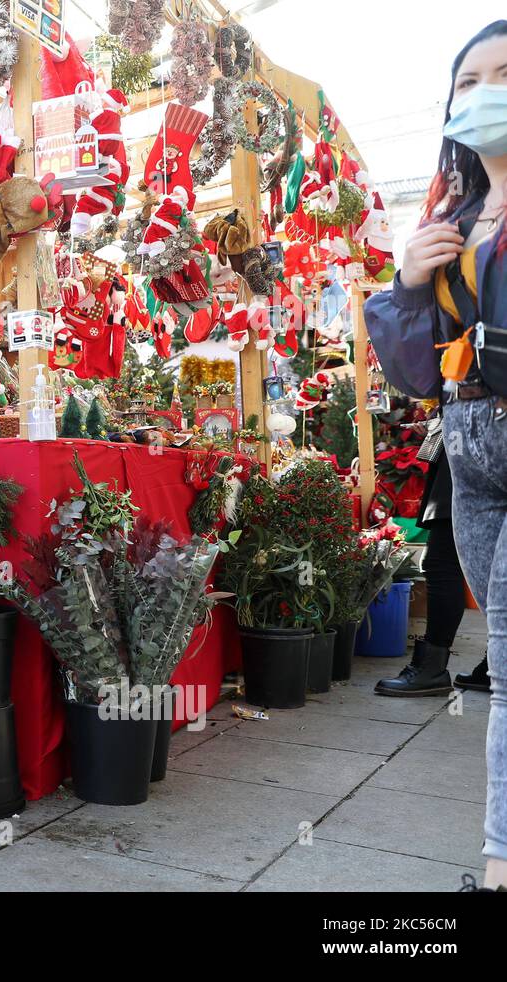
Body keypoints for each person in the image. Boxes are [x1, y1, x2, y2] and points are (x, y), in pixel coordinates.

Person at [364, 20, 507, 889]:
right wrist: (410, 284)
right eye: (470, 81)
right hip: (474, 453)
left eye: (505, 72)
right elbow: (417, 372)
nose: (486, 90)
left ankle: (496, 868)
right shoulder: (452, 217)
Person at [375, 436, 464, 696]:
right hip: (479, 446)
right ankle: (496, 663)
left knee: (442, 561)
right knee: (490, 566)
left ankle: (432, 668)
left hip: (474, 450)